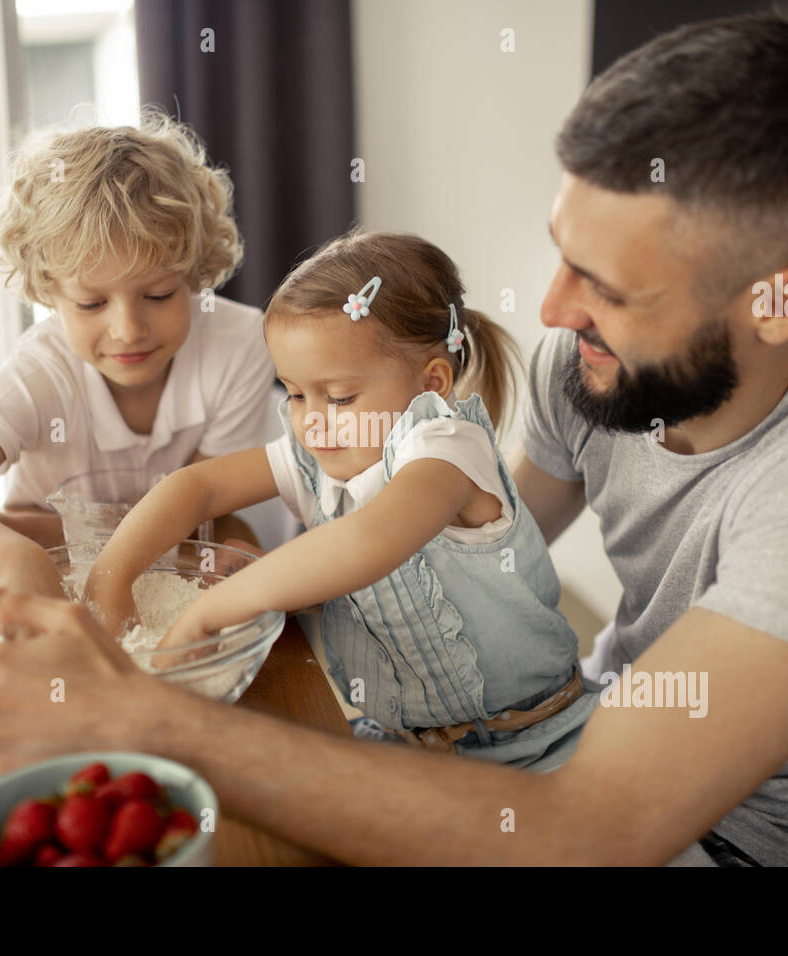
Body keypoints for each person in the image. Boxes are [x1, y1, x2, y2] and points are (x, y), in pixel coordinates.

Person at [0, 13, 788, 865]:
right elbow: (469, 550)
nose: (552, 308)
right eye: (563, 257)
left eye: (610, 288)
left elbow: (593, 829)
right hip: (578, 733)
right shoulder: (591, 365)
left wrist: (147, 715)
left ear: (781, 300)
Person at [85, 231, 599, 769]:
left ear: (432, 383)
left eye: (339, 397)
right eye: (297, 393)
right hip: (407, 747)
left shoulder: (448, 451)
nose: (310, 421)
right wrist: (111, 576)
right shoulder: (323, 451)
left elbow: (368, 541)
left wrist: (208, 613)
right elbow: (197, 487)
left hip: (539, 745)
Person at [0, 110, 277, 597]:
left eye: (159, 295)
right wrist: (13, 553)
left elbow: (204, 513)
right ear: (49, 293)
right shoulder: (43, 371)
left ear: (193, 275)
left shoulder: (240, 346)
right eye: (91, 303)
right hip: (52, 570)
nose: (128, 331)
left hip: (171, 561)